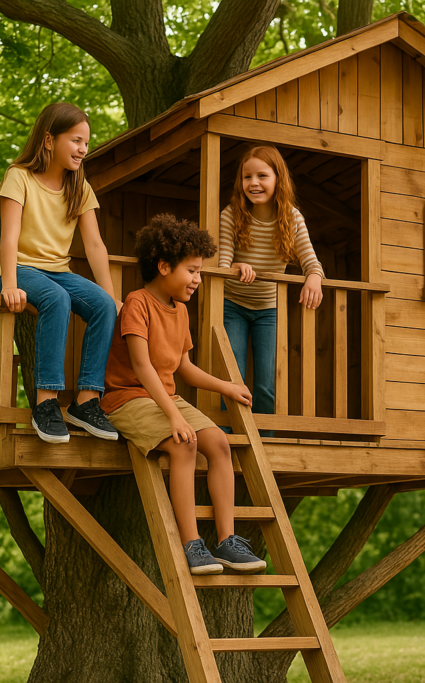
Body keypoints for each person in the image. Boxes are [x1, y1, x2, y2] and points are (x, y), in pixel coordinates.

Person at [101, 214, 266, 575]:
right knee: (185, 444)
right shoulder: (137, 303)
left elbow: (183, 368)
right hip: (127, 399)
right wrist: (175, 417)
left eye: (199, 272)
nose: (197, 279)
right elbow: (142, 366)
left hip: (165, 398)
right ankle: (192, 545)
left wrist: (226, 386)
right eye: (192, 271)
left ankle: (227, 542)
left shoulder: (181, 311)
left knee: (218, 443)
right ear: (164, 266)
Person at [0, 102, 120, 444]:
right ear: (49, 140)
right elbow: (9, 237)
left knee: (103, 306)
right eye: (76, 140)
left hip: (57, 271)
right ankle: (45, 403)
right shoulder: (19, 176)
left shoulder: (79, 187)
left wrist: (111, 296)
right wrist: (10, 285)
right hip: (18, 268)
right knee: (57, 298)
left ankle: (86, 401)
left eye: (86, 143)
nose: (83, 149)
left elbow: (95, 245)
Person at [218, 145, 325, 420]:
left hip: (269, 310)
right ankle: (228, 433)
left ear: (278, 179)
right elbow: (222, 265)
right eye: (247, 177)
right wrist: (236, 266)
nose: (253, 183)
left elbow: (312, 263)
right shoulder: (231, 214)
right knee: (232, 377)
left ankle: (266, 436)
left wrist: (314, 278)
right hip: (233, 305)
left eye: (262, 176)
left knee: (267, 382)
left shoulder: (292, 218)